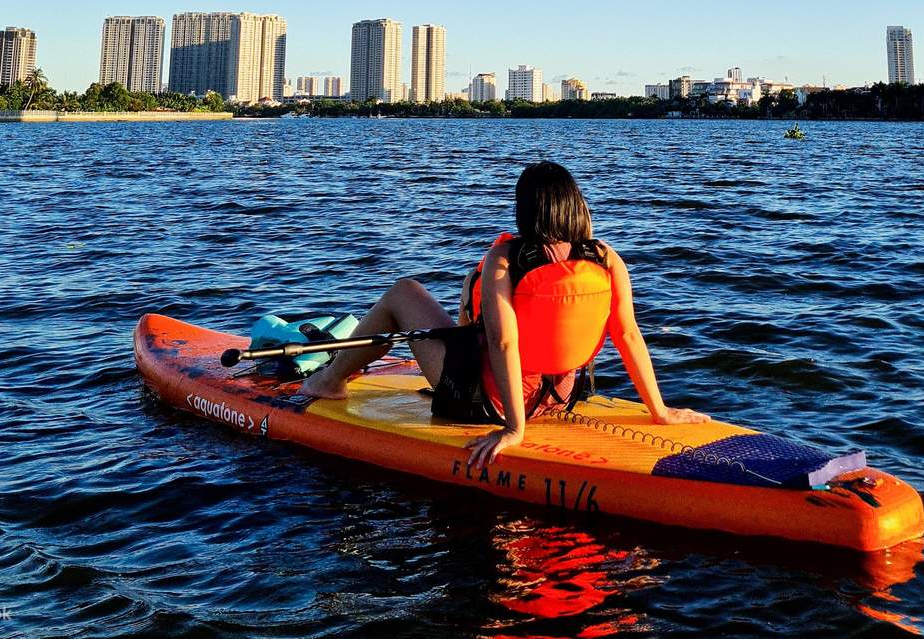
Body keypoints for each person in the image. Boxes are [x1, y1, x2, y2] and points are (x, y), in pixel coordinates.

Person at [302, 160, 707, 469]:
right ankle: (340, 371)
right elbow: (628, 335)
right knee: (465, 299)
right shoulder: (605, 257)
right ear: (577, 206)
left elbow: (504, 342)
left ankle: (330, 380)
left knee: (404, 292)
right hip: (561, 399)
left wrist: (515, 430)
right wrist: (660, 411)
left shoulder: (503, 259)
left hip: (486, 404)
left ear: (525, 211)